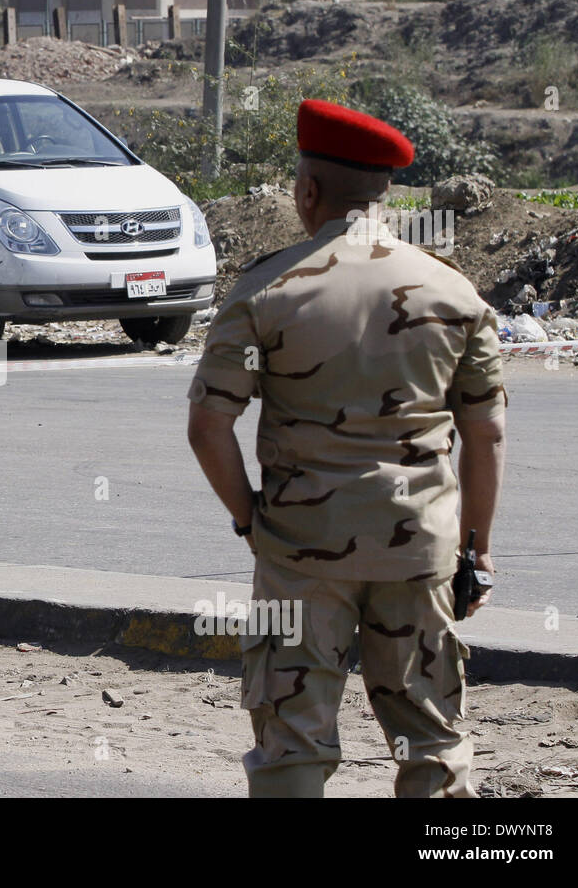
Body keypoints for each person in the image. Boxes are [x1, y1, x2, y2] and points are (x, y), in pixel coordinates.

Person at [185, 99, 507, 798]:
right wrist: (475, 550)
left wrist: (252, 521)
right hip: (419, 552)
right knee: (430, 740)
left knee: (292, 744)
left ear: (307, 192)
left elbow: (208, 426)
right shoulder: (454, 292)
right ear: (386, 195)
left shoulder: (264, 290)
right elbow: (486, 433)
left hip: (300, 552)